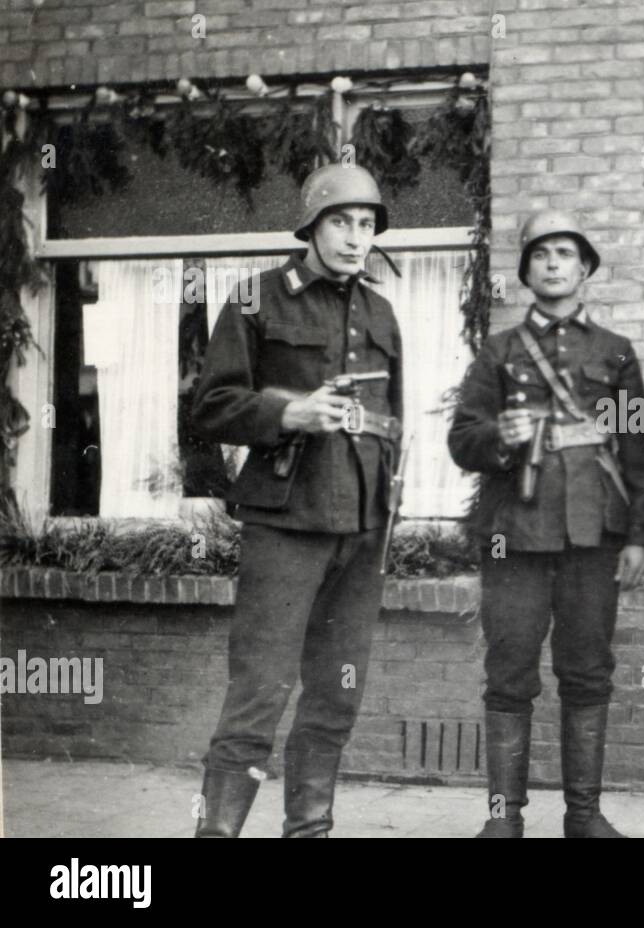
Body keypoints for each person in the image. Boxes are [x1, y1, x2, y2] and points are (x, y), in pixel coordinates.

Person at [190, 163, 403, 837]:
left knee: (336, 696)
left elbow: (390, 422)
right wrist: (290, 416)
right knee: (259, 693)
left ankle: (309, 831)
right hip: (286, 526)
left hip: (361, 532)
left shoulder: (382, 311)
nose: (354, 237)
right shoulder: (257, 298)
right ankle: (215, 833)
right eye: (341, 222)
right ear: (312, 227)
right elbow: (212, 407)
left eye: (366, 225)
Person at [448, 209, 644, 838]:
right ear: (527, 271)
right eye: (541, 254)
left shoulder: (615, 353)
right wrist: (500, 438)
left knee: (588, 671)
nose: (553, 264)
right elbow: (462, 440)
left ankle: (585, 817)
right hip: (514, 534)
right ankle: (503, 818)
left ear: (585, 269)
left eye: (565, 254)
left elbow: (638, 450)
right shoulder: (500, 351)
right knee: (509, 671)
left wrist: (642, 537)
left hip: (594, 537)